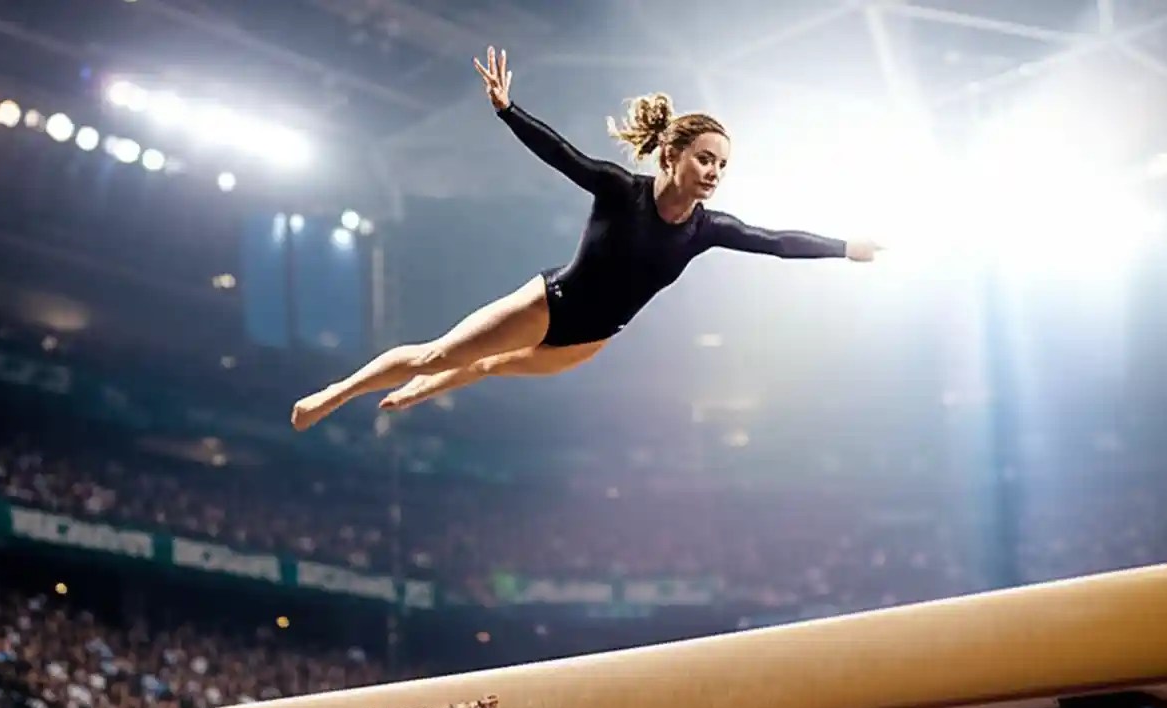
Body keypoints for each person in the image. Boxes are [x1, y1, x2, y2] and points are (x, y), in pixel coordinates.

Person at [291, 46, 882, 431]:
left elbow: (775, 240)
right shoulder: (621, 190)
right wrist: (507, 109)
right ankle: (336, 394)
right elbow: (561, 154)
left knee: (488, 367)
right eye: (705, 158)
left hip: (588, 342)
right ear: (672, 155)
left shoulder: (709, 229)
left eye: (722, 165)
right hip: (549, 307)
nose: (713, 172)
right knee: (439, 356)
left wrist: (844, 248)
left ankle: (416, 395)